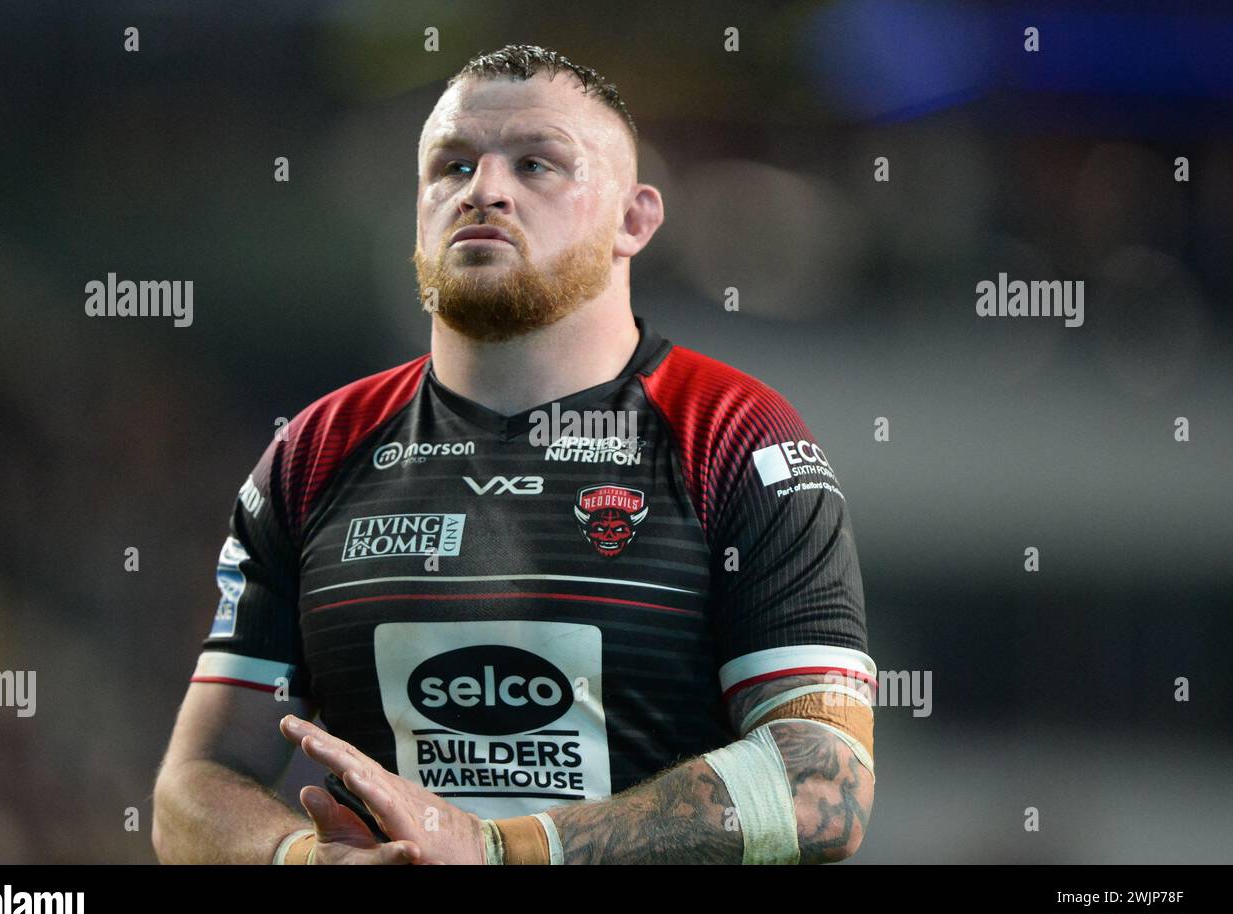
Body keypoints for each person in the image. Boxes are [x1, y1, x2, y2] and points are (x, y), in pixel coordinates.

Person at [152, 43, 876, 865]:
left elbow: (825, 782)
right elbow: (192, 784)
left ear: (634, 218)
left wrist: (502, 850)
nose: (484, 190)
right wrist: (299, 858)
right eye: (451, 166)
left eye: (537, 164)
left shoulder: (738, 436)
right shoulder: (314, 452)